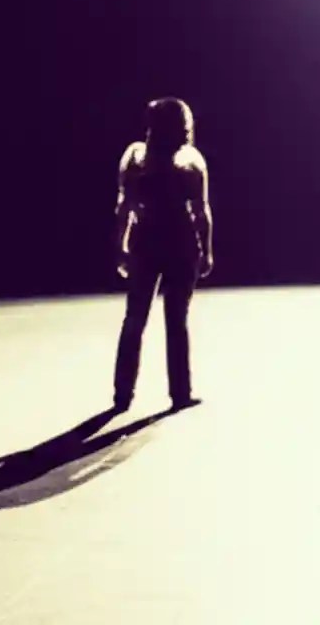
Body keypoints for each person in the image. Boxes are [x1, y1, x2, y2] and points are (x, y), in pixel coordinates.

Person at [111, 97, 213, 411]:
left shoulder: (136, 158)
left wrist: (121, 246)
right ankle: (180, 393)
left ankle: (122, 395)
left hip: (146, 240)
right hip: (180, 243)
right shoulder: (191, 161)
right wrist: (207, 250)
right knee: (176, 320)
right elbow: (201, 212)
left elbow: (124, 208)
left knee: (135, 318)